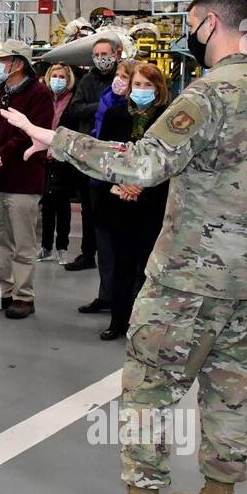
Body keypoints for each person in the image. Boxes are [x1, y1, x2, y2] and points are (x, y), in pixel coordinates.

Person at [1, 0, 247, 494]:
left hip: (188, 279)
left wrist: (57, 139)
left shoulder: (206, 96)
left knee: (149, 392)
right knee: (229, 393)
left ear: (207, 25)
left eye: (190, 26)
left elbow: (146, 162)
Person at [0, 39, 53, 319]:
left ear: (18, 64)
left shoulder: (40, 94)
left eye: (3, 59)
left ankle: (23, 296)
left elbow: (30, 135)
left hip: (23, 180)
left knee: (23, 241)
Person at [102, 63, 171, 341]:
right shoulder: (115, 114)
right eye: (137, 85)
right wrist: (123, 183)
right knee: (122, 264)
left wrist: (142, 186)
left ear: (159, 90)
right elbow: (105, 153)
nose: (141, 90)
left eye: (148, 85)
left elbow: (168, 163)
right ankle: (118, 321)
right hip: (120, 200)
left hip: (153, 203)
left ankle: (143, 323)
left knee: (148, 267)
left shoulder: (166, 120)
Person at [80, 58, 137, 317]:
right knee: (104, 243)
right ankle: (107, 294)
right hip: (99, 179)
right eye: (119, 74)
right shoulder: (106, 102)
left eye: (126, 76)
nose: (119, 80)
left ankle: (125, 301)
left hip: (124, 185)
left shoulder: (136, 114)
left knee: (126, 248)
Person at [61, 38, 120, 271]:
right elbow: (75, 110)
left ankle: (113, 255)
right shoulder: (87, 80)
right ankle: (88, 253)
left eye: (104, 53)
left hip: (115, 152)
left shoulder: (122, 78)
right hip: (89, 151)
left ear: (115, 54)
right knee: (88, 206)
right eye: (96, 54)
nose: (100, 58)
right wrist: (103, 106)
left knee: (112, 207)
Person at [38, 64, 79, 265]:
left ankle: (62, 247)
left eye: (62, 76)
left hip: (63, 159)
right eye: (54, 76)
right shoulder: (44, 98)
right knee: (47, 205)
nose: (57, 79)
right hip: (44, 156)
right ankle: (45, 247)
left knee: (62, 206)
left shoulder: (73, 100)